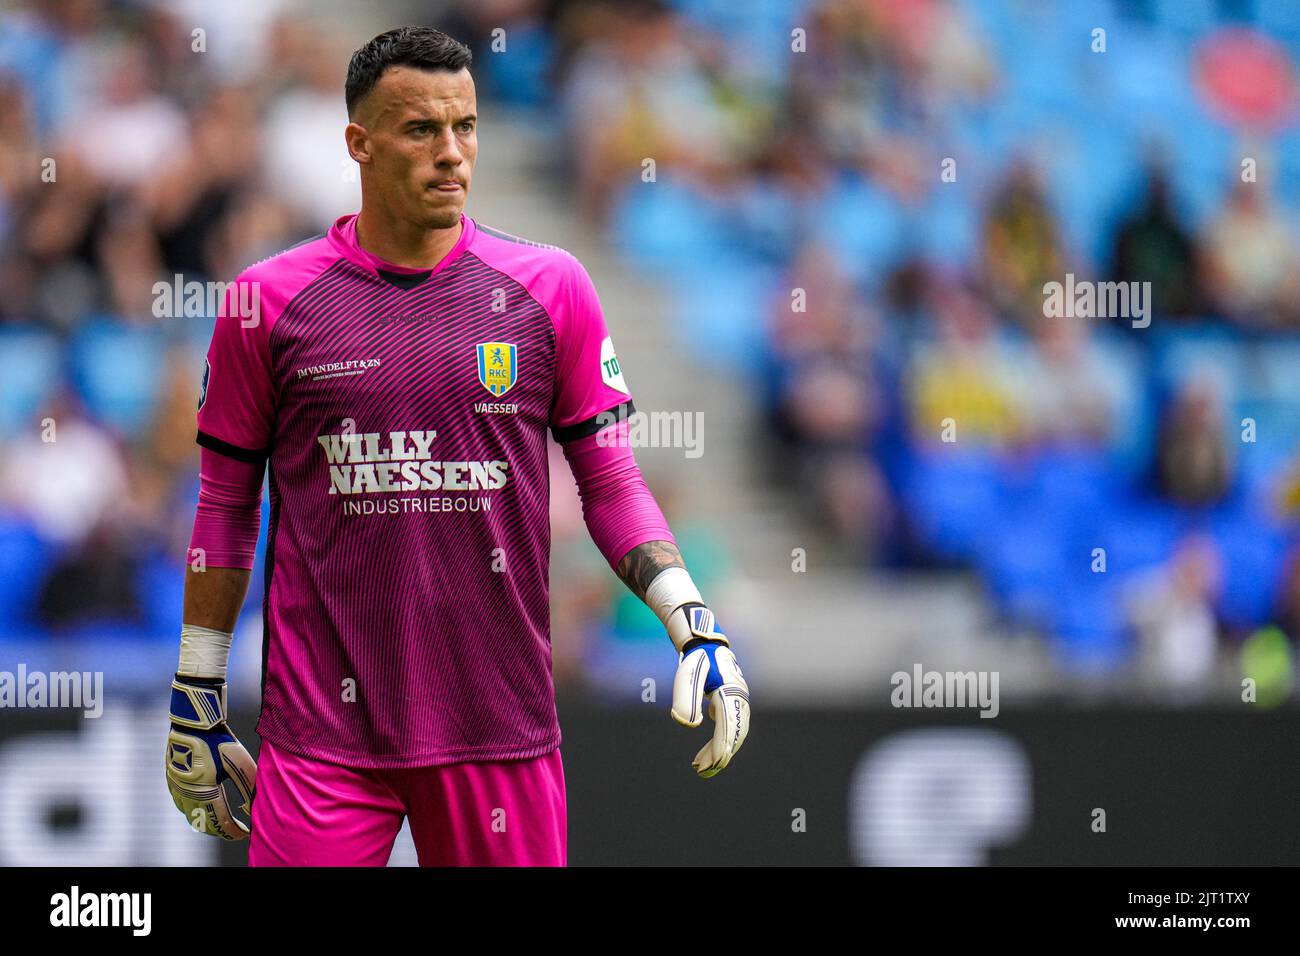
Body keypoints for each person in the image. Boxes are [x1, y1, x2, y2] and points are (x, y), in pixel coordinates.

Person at [163, 26, 749, 867]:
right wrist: (197, 693)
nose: (451, 153)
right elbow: (225, 505)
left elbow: (611, 481)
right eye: (420, 130)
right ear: (358, 145)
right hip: (322, 737)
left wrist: (692, 621)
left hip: (497, 729)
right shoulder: (268, 303)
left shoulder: (551, 290)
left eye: (465, 127)